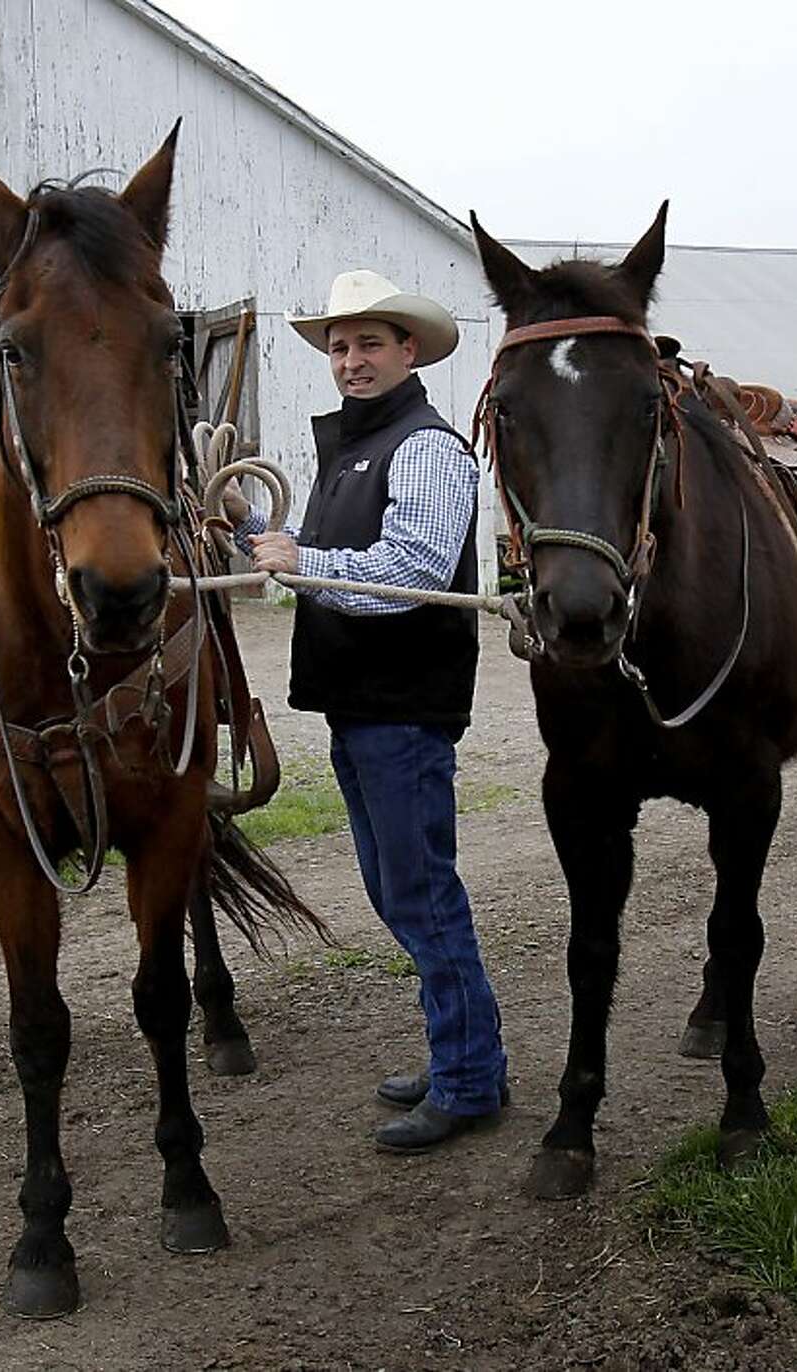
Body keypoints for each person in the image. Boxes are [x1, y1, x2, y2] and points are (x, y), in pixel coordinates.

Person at [224, 269, 506, 1153]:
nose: (351, 360)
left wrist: (297, 551)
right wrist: (246, 525)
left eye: (370, 343)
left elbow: (413, 574)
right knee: (399, 893)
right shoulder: (356, 447)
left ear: (409, 350)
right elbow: (318, 560)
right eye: (340, 346)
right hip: (364, 707)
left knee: (421, 895)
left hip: (404, 710)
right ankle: (463, 1053)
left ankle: (469, 1081)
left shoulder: (425, 448)